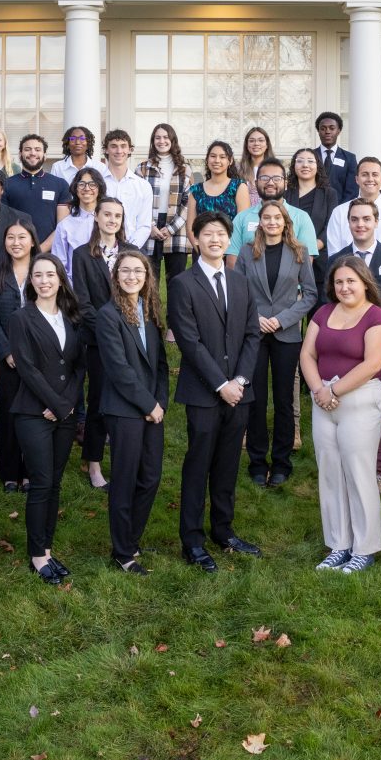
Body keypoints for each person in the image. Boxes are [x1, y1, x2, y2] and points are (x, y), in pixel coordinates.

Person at [168, 211, 263, 571]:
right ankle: (191, 540)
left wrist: (239, 381)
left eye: (221, 234)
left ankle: (223, 530)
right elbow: (189, 342)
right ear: (197, 240)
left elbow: (252, 334)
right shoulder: (182, 284)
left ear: (229, 239)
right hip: (203, 393)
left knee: (227, 465)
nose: (215, 239)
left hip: (239, 391)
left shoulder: (241, 282)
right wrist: (220, 384)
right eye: (207, 234)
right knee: (198, 464)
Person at [301, 256, 381, 574]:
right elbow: (307, 354)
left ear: (365, 282)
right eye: (339, 282)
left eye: (351, 281)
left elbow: (372, 364)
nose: (344, 287)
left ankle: (364, 548)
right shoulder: (324, 312)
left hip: (360, 398)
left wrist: (334, 391)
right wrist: (318, 389)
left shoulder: (377, 317)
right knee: (330, 472)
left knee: (358, 472)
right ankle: (339, 544)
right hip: (322, 400)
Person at [5, 253, 86, 585]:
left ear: (60, 279)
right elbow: (26, 367)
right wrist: (54, 403)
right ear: (31, 282)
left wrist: (65, 405)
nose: (44, 280)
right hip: (33, 412)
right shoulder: (21, 318)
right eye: (37, 275)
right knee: (40, 482)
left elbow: (80, 366)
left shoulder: (72, 317)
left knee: (55, 482)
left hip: (64, 412)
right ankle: (37, 556)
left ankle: (48, 549)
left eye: (50, 274)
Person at [95, 249, 170, 575]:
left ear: (147, 276)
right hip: (124, 408)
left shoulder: (151, 311)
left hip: (154, 407)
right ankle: (122, 552)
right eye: (125, 271)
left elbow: (162, 364)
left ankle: (132, 538)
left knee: (150, 476)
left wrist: (160, 402)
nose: (131, 277)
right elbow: (118, 369)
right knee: (124, 480)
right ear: (116, 276)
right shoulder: (107, 315)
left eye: (137, 271)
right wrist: (148, 405)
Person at [236, 199, 317, 488]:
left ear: (285, 222)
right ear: (260, 223)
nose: (272, 222)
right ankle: (258, 461)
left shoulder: (299, 252)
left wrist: (282, 319)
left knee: (283, 399)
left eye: (277, 218)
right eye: (267, 218)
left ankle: (282, 462)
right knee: (255, 399)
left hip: (286, 334)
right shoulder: (247, 253)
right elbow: (239, 290)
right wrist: (255, 317)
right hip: (255, 333)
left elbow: (309, 294)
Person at [69, 194, 132, 491]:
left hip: (130, 341)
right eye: (107, 214)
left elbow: (140, 297)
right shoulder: (83, 255)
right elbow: (82, 302)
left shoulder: (131, 252)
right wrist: (109, 332)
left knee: (127, 402)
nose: (112, 220)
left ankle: (125, 461)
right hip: (96, 341)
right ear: (96, 217)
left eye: (117, 216)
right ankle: (93, 463)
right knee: (98, 402)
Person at [0, 219, 38, 492]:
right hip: (4, 357)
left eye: (22, 237)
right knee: (8, 413)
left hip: (38, 356)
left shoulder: (43, 270)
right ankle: (8, 472)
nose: (16, 243)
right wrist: (6, 351)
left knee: (33, 413)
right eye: (10, 238)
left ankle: (30, 471)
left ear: (32, 240)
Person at [137, 122, 192, 298]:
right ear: (153, 141)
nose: (162, 141)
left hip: (176, 228)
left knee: (177, 282)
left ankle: (174, 324)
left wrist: (170, 228)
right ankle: (152, 322)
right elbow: (137, 201)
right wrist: (150, 226)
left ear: (173, 140)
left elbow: (188, 202)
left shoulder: (185, 168)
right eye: (157, 137)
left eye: (166, 137)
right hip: (149, 227)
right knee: (148, 281)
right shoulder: (142, 168)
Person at [325, 157, 381, 261]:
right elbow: (334, 254)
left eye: (375, 175)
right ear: (357, 179)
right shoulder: (339, 212)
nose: (370, 179)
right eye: (364, 174)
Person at [229, 159, 320, 255]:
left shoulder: (302, 217)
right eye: (264, 178)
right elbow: (233, 260)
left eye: (277, 178)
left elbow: (306, 261)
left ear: (285, 184)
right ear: (256, 183)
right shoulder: (241, 218)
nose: (270, 183)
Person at [4, 134, 72, 251]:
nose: (33, 153)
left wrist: (40, 250)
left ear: (45, 155)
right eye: (27, 149)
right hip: (16, 252)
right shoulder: (7, 184)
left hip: (50, 255)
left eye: (37, 149)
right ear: (20, 155)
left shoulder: (60, 184)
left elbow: (62, 225)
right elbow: (4, 223)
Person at [184, 138, 250, 240]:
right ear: (207, 159)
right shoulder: (196, 190)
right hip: (202, 249)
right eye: (213, 156)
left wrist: (229, 252)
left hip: (231, 251)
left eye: (222, 157)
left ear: (230, 161)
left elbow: (242, 224)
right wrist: (202, 251)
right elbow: (190, 228)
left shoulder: (238, 187)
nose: (217, 160)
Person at [99, 129, 154, 249]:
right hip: (100, 247)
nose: (119, 151)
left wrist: (129, 248)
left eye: (123, 146)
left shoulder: (143, 186)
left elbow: (144, 225)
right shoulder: (97, 183)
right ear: (106, 150)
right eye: (114, 146)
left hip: (133, 247)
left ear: (130, 150)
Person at [51, 166, 107, 268]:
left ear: (99, 188)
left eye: (92, 184)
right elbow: (59, 263)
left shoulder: (109, 221)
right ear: (75, 188)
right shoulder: (65, 225)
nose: (87, 188)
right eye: (81, 184)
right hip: (75, 281)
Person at [288, 148, 336, 258]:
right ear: (293, 166)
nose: (305, 165)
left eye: (310, 161)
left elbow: (331, 225)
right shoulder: (285, 195)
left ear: (317, 165)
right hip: (290, 254)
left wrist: (313, 247)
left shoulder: (329, 194)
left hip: (321, 255)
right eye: (300, 161)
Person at [311, 111, 357, 201]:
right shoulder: (310, 156)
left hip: (340, 210)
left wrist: (340, 210)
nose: (327, 132)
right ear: (318, 131)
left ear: (338, 131)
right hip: (312, 210)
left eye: (332, 128)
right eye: (323, 128)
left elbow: (352, 190)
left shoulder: (349, 158)